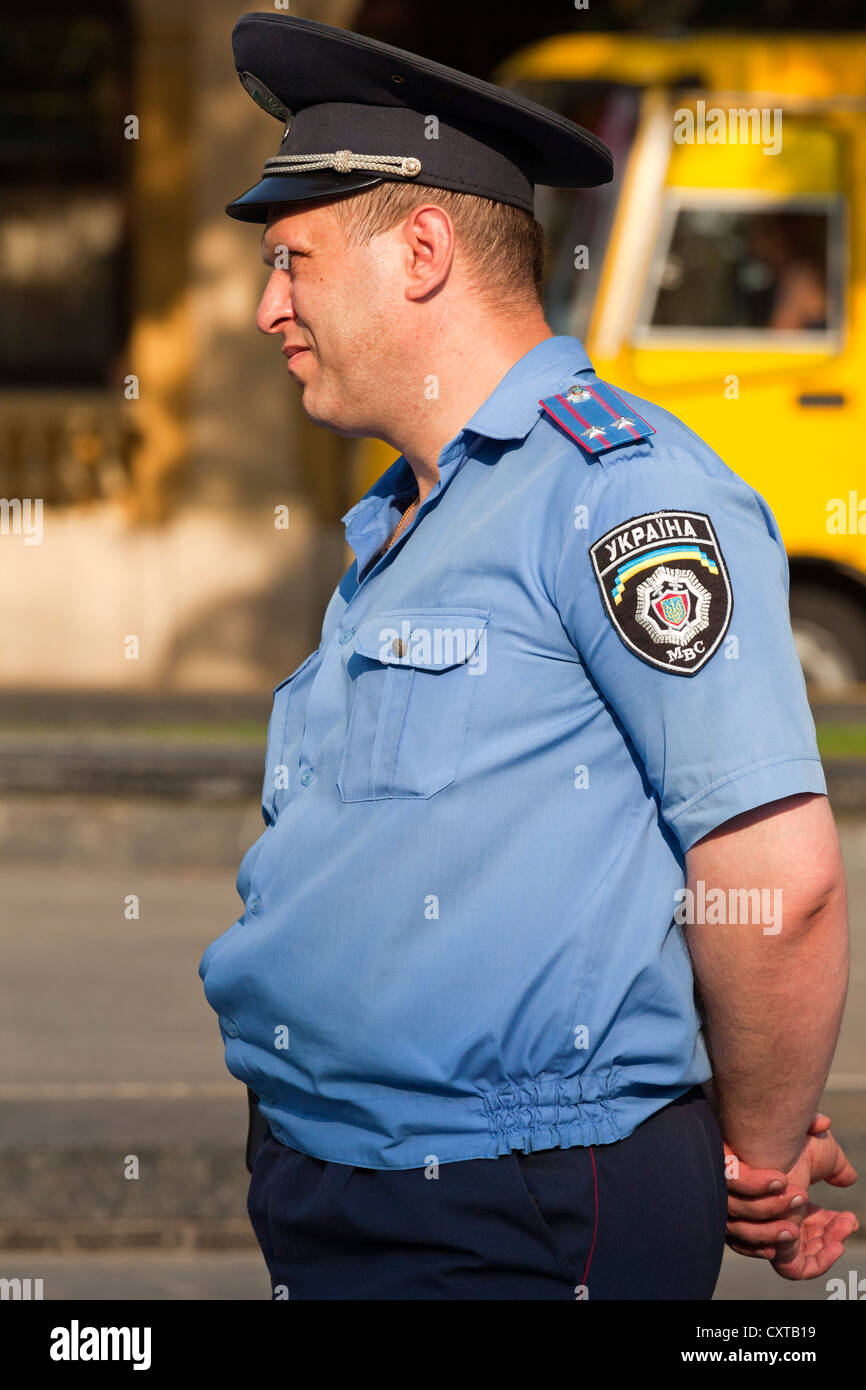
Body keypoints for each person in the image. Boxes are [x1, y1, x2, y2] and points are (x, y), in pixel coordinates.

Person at [199, 13, 857, 1299]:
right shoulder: (412, 514)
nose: (267, 306)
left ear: (422, 253)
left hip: (509, 1207)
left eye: (290, 261)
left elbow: (774, 882)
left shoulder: (619, 495)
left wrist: (758, 1151)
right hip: (337, 1184)